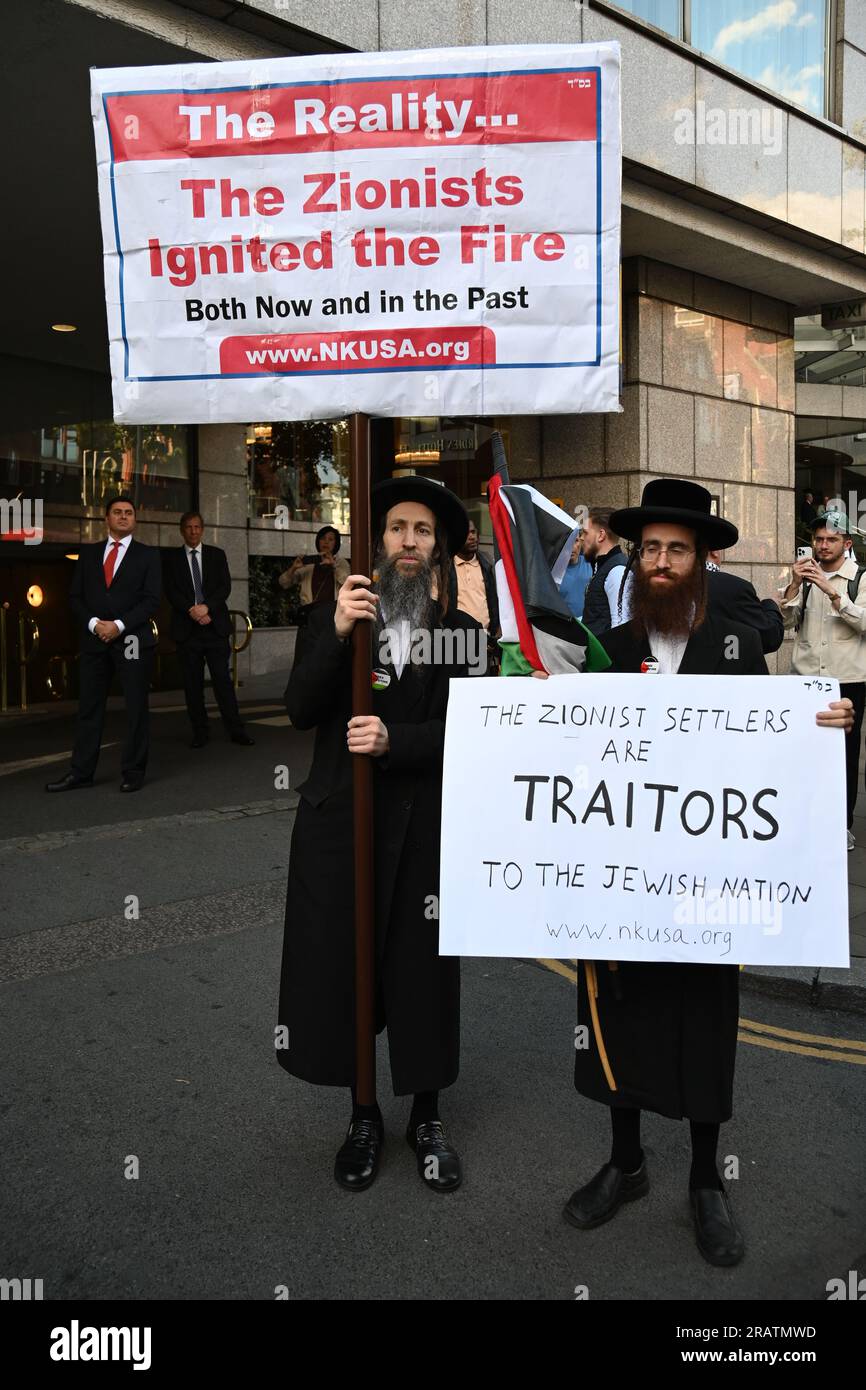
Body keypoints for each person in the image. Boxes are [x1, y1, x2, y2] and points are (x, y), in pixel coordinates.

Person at [547, 480, 852, 1267]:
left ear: (702, 560)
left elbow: (767, 749)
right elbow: (577, 762)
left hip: (709, 886)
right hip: (622, 887)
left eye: (676, 549)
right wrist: (542, 713)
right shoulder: (611, 647)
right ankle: (626, 1163)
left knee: (705, 1021)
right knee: (618, 1014)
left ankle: (705, 1179)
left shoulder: (735, 646)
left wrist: (821, 724)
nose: (659, 561)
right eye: (649, 547)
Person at [276, 476, 481, 1194]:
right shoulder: (331, 619)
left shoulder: (463, 634)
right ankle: (363, 1114)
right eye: (397, 528)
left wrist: (399, 737)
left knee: (421, 974)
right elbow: (301, 707)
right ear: (378, 539)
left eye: (423, 531)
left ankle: (426, 1115)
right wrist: (335, 633)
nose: (409, 542)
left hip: (424, 828)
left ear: (439, 549)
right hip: (344, 827)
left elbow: (470, 733)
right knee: (348, 971)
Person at [46, 495, 161, 794]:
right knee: (89, 709)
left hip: (132, 640)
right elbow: (75, 597)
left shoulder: (148, 555)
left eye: (129, 513)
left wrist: (119, 626)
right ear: (106, 518)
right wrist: (95, 624)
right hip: (95, 641)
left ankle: (133, 772)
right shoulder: (89, 554)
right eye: (117, 512)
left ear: (134, 520)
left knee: (136, 708)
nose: (123, 517)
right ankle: (81, 772)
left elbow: (151, 600)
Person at [779, 511, 866, 850]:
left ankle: (841, 823)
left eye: (831, 539)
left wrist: (833, 593)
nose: (823, 545)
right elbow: (784, 622)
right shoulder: (805, 577)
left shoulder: (859, 577)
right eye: (819, 539)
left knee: (844, 755)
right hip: (805, 679)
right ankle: (806, 816)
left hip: (847, 681)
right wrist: (796, 585)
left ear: (846, 543)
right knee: (803, 752)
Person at [163, 512, 254, 749]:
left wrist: (205, 608)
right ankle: (200, 732)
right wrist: (191, 610)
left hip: (215, 627)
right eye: (188, 527)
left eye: (197, 527)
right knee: (192, 685)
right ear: (182, 530)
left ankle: (236, 730)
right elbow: (170, 591)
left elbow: (224, 587)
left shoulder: (216, 555)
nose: (193, 531)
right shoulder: (172, 558)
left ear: (202, 530)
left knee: (222, 681)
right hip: (187, 630)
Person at [278, 525, 350, 665]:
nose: (326, 542)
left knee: (329, 659)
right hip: (309, 620)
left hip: (332, 618)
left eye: (331, 539)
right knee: (305, 659)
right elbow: (283, 583)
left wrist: (333, 565)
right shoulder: (310, 563)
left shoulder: (341, 563)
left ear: (336, 543)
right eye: (323, 538)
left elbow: (347, 582)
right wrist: (294, 568)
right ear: (318, 541)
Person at [705, 549, 783, 655]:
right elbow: (769, 638)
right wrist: (771, 604)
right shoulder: (735, 587)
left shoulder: (677, 585)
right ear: (715, 551)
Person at [447, 518, 500, 671]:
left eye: (474, 532)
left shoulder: (488, 565)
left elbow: (498, 603)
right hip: (455, 645)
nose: (472, 537)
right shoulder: (442, 568)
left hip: (485, 646)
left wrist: (494, 638)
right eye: (466, 533)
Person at [580, 507, 633, 635]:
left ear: (601, 535)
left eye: (585, 533)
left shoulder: (617, 571)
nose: (581, 538)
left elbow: (621, 626)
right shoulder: (602, 565)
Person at [558, 531, 593, 620]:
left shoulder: (590, 563)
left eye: (576, 541)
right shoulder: (555, 571)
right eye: (568, 542)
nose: (572, 547)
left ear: (581, 542)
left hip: (589, 624)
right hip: (565, 624)